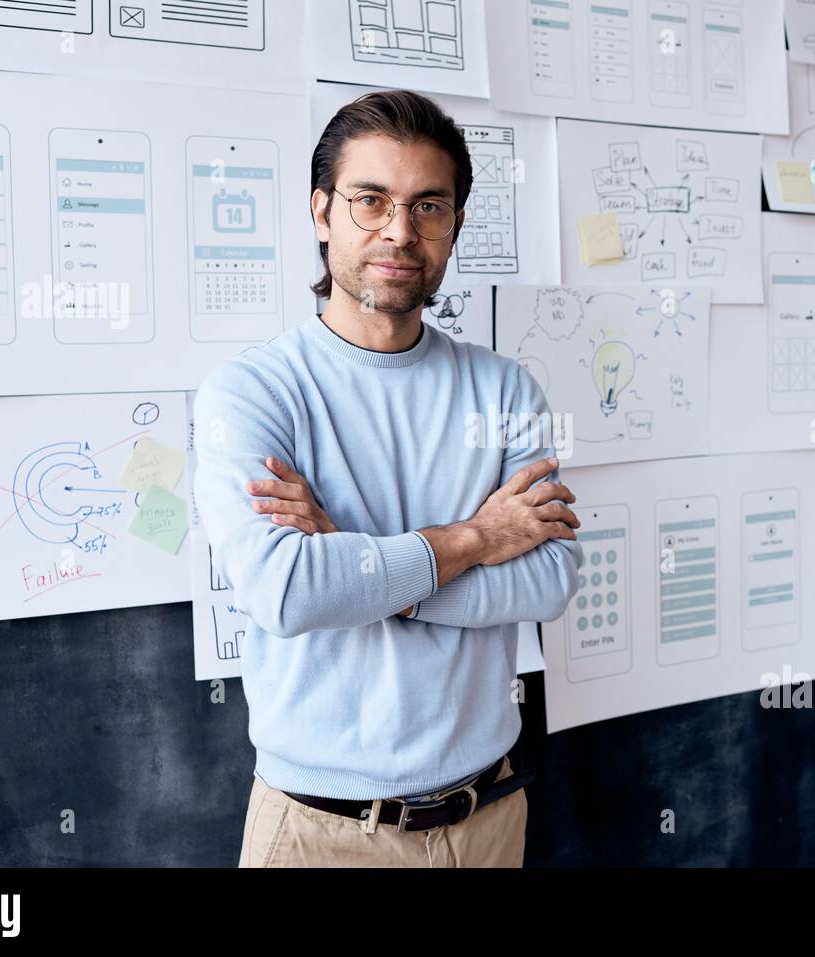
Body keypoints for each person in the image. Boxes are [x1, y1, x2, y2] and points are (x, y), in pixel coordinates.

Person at [192, 89, 584, 868]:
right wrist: (478, 538)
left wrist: (358, 557)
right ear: (321, 211)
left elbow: (549, 580)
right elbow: (290, 592)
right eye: (371, 200)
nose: (399, 232)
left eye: (429, 206)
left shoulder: (505, 390)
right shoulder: (252, 392)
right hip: (320, 835)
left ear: (455, 226)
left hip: (488, 820)